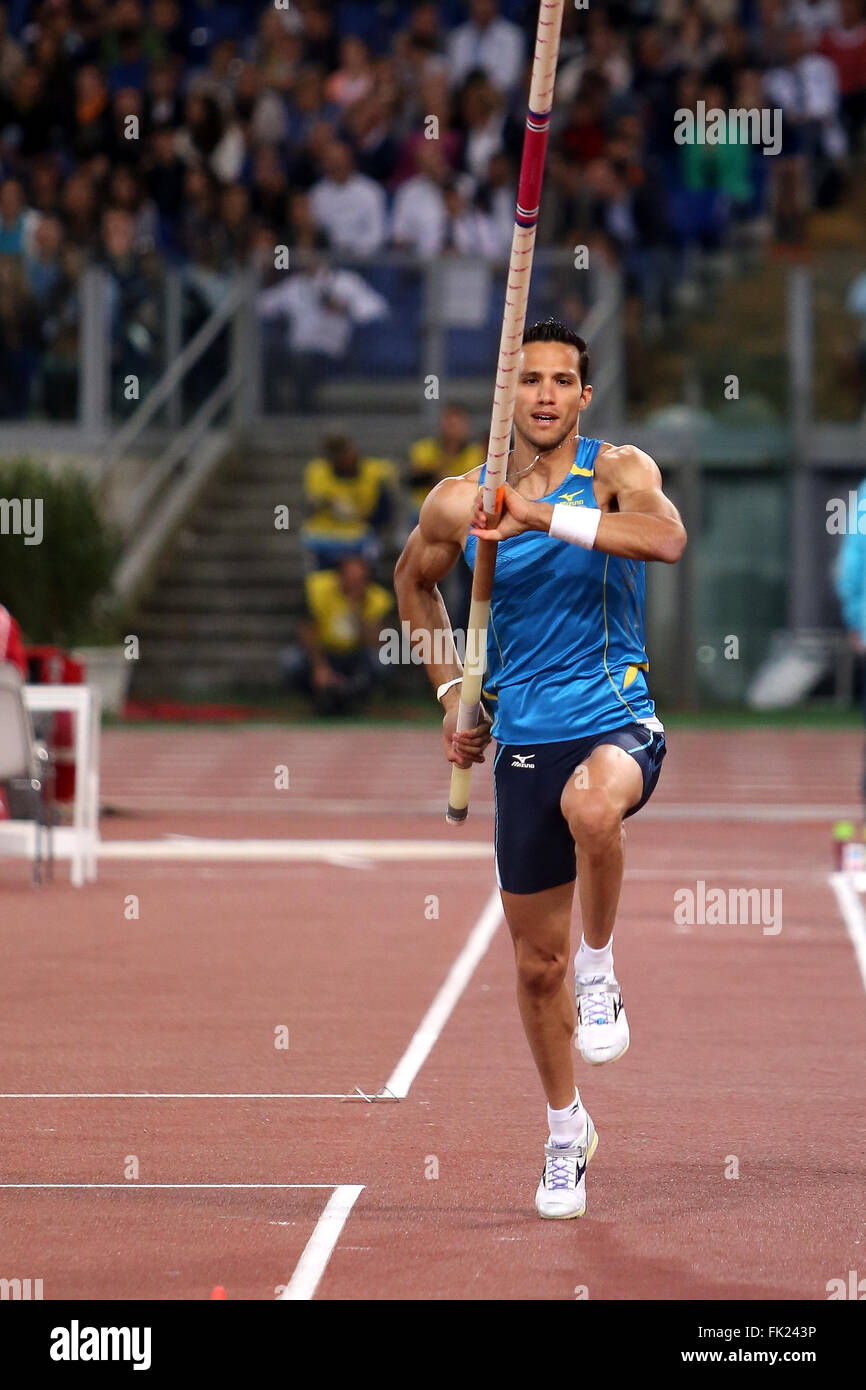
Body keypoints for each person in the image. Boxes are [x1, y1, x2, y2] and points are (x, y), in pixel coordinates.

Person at [394, 319, 686, 1220]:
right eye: (531, 382)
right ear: (507, 396)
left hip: (617, 720)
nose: (548, 394)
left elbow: (665, 540)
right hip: (522, 737)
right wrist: (452, 695)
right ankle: (567, 1131)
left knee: (596, 811)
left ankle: (603, 968)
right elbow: (413, 583)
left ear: (584, 397)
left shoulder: (618, 469)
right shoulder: (463, 500)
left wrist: (540, 516)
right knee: (532, 967)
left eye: (564, 380)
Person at [283, 555, 392, 716]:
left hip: (355, 656)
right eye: (350, 578)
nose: (354, 583)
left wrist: (358, 608)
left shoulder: (377, 598)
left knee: (382, 660)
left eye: (360, 579)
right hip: (323, 652)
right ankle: (314, 700)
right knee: (291, 660)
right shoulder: (318, 589)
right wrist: (320, 667)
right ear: (339, 576)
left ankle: (356, 700)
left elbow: (375, 643)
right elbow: (307, 630)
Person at [301, 433, 396, 569]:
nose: (348, 456)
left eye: (348, 451)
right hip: (324, 536)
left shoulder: (374, 471)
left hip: (360, 535)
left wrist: (364, 517)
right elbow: (311, 505)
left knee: (370, 551)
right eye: (341, 454)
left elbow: (384, 512)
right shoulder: (317, 472)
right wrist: (329, 504)